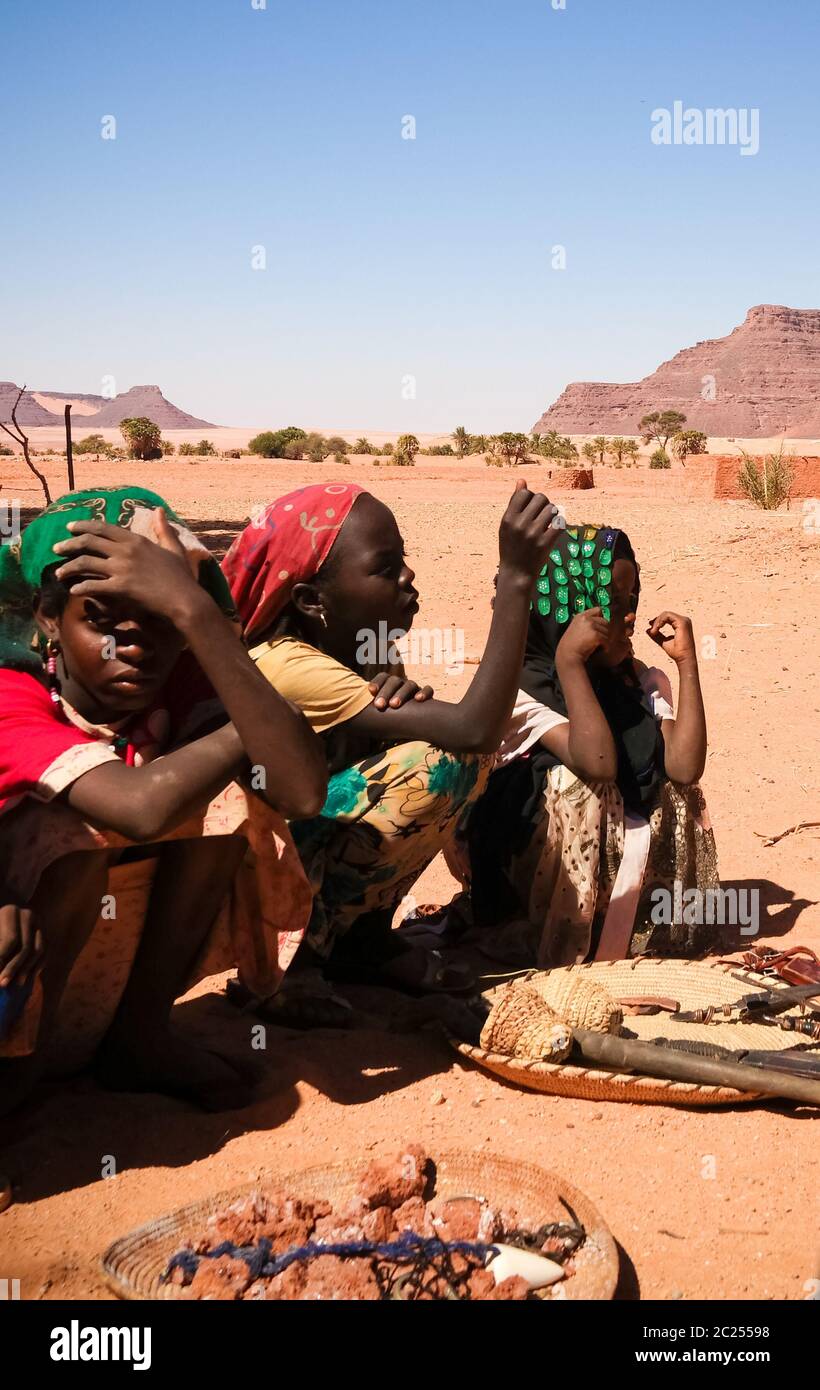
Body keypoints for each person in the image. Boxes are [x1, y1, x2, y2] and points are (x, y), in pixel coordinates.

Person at [0, 487, 326, 1112]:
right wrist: (254, 722)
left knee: (235, 803)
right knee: (76, 835)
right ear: (47, 618)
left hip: (88, 989)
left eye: (161, 621)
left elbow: (302, 791)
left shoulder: (179, 683)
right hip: (15, 974)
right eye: (101, 620)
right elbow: (140, 808)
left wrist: (196, 615)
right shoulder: (13, 692)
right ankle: (15, 1084)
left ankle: (140, 1036)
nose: (136, 646)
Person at [221, 479, 560, 1017]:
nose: (408, 577)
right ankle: (288, 968)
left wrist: (409, 717)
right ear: (311, 601)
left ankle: (362, 942)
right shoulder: (285, 664)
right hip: (263, 878)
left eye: (403, 560)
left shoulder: (367, 653)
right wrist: (517, 580)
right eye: (385, 568)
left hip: (313, 853)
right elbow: (473, 731)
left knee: (445, 758)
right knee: (447, 759)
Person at [462, 522, 719, 966]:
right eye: (613, 605)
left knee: (680, 791)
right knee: (576, 784)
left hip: (617, 872)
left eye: (633, 600)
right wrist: (571, 662)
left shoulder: (636, 680)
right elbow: (597, 761)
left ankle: (644, 925)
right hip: (524, 868)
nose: (632, 616)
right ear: (568, 610)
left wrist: (686, 665)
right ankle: (563, 937)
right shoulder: (520, 690)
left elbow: (685, 766)